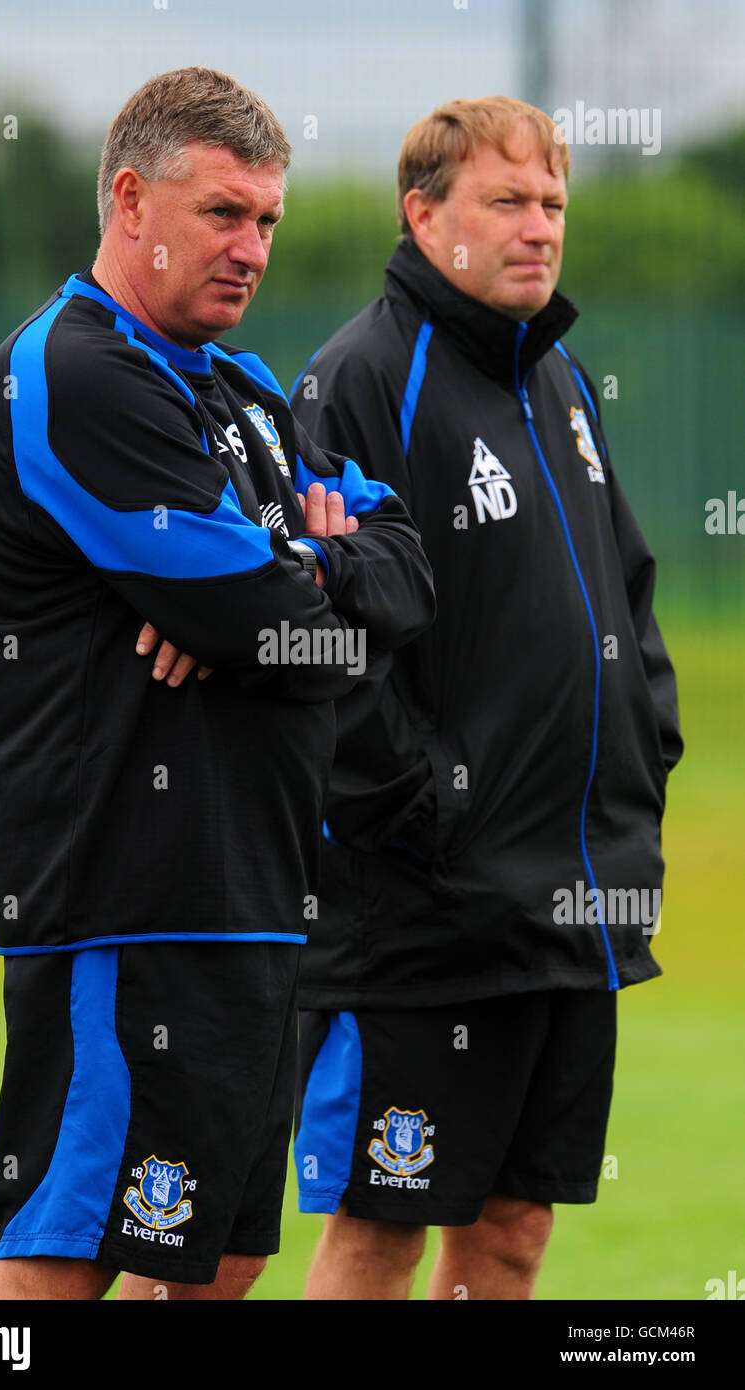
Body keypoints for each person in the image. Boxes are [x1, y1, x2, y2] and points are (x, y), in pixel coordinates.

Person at [0, 66, 434, 1302]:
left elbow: (402, 571)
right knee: (55, 1264)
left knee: (218, 1265)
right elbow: (258, 612)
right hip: (123, 901)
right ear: (129, 198)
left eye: (267, 221)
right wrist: (277, 589)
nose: (252, 248)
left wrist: (291, 575)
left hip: (260, 899)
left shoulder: (246, 396)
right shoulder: (71, 373)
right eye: (223, 213)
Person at [286, 96, 683, 1300]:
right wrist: (425, 814)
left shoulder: (559, 374)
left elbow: (624, 590)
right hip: (424, 915)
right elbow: (326, 638)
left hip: (572, 894)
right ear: (423, 213)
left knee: (511, 1231)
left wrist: (644, 750)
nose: (537, 228)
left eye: (551, 203)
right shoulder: (359, 380)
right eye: (505, 202)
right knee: (379, 1228)